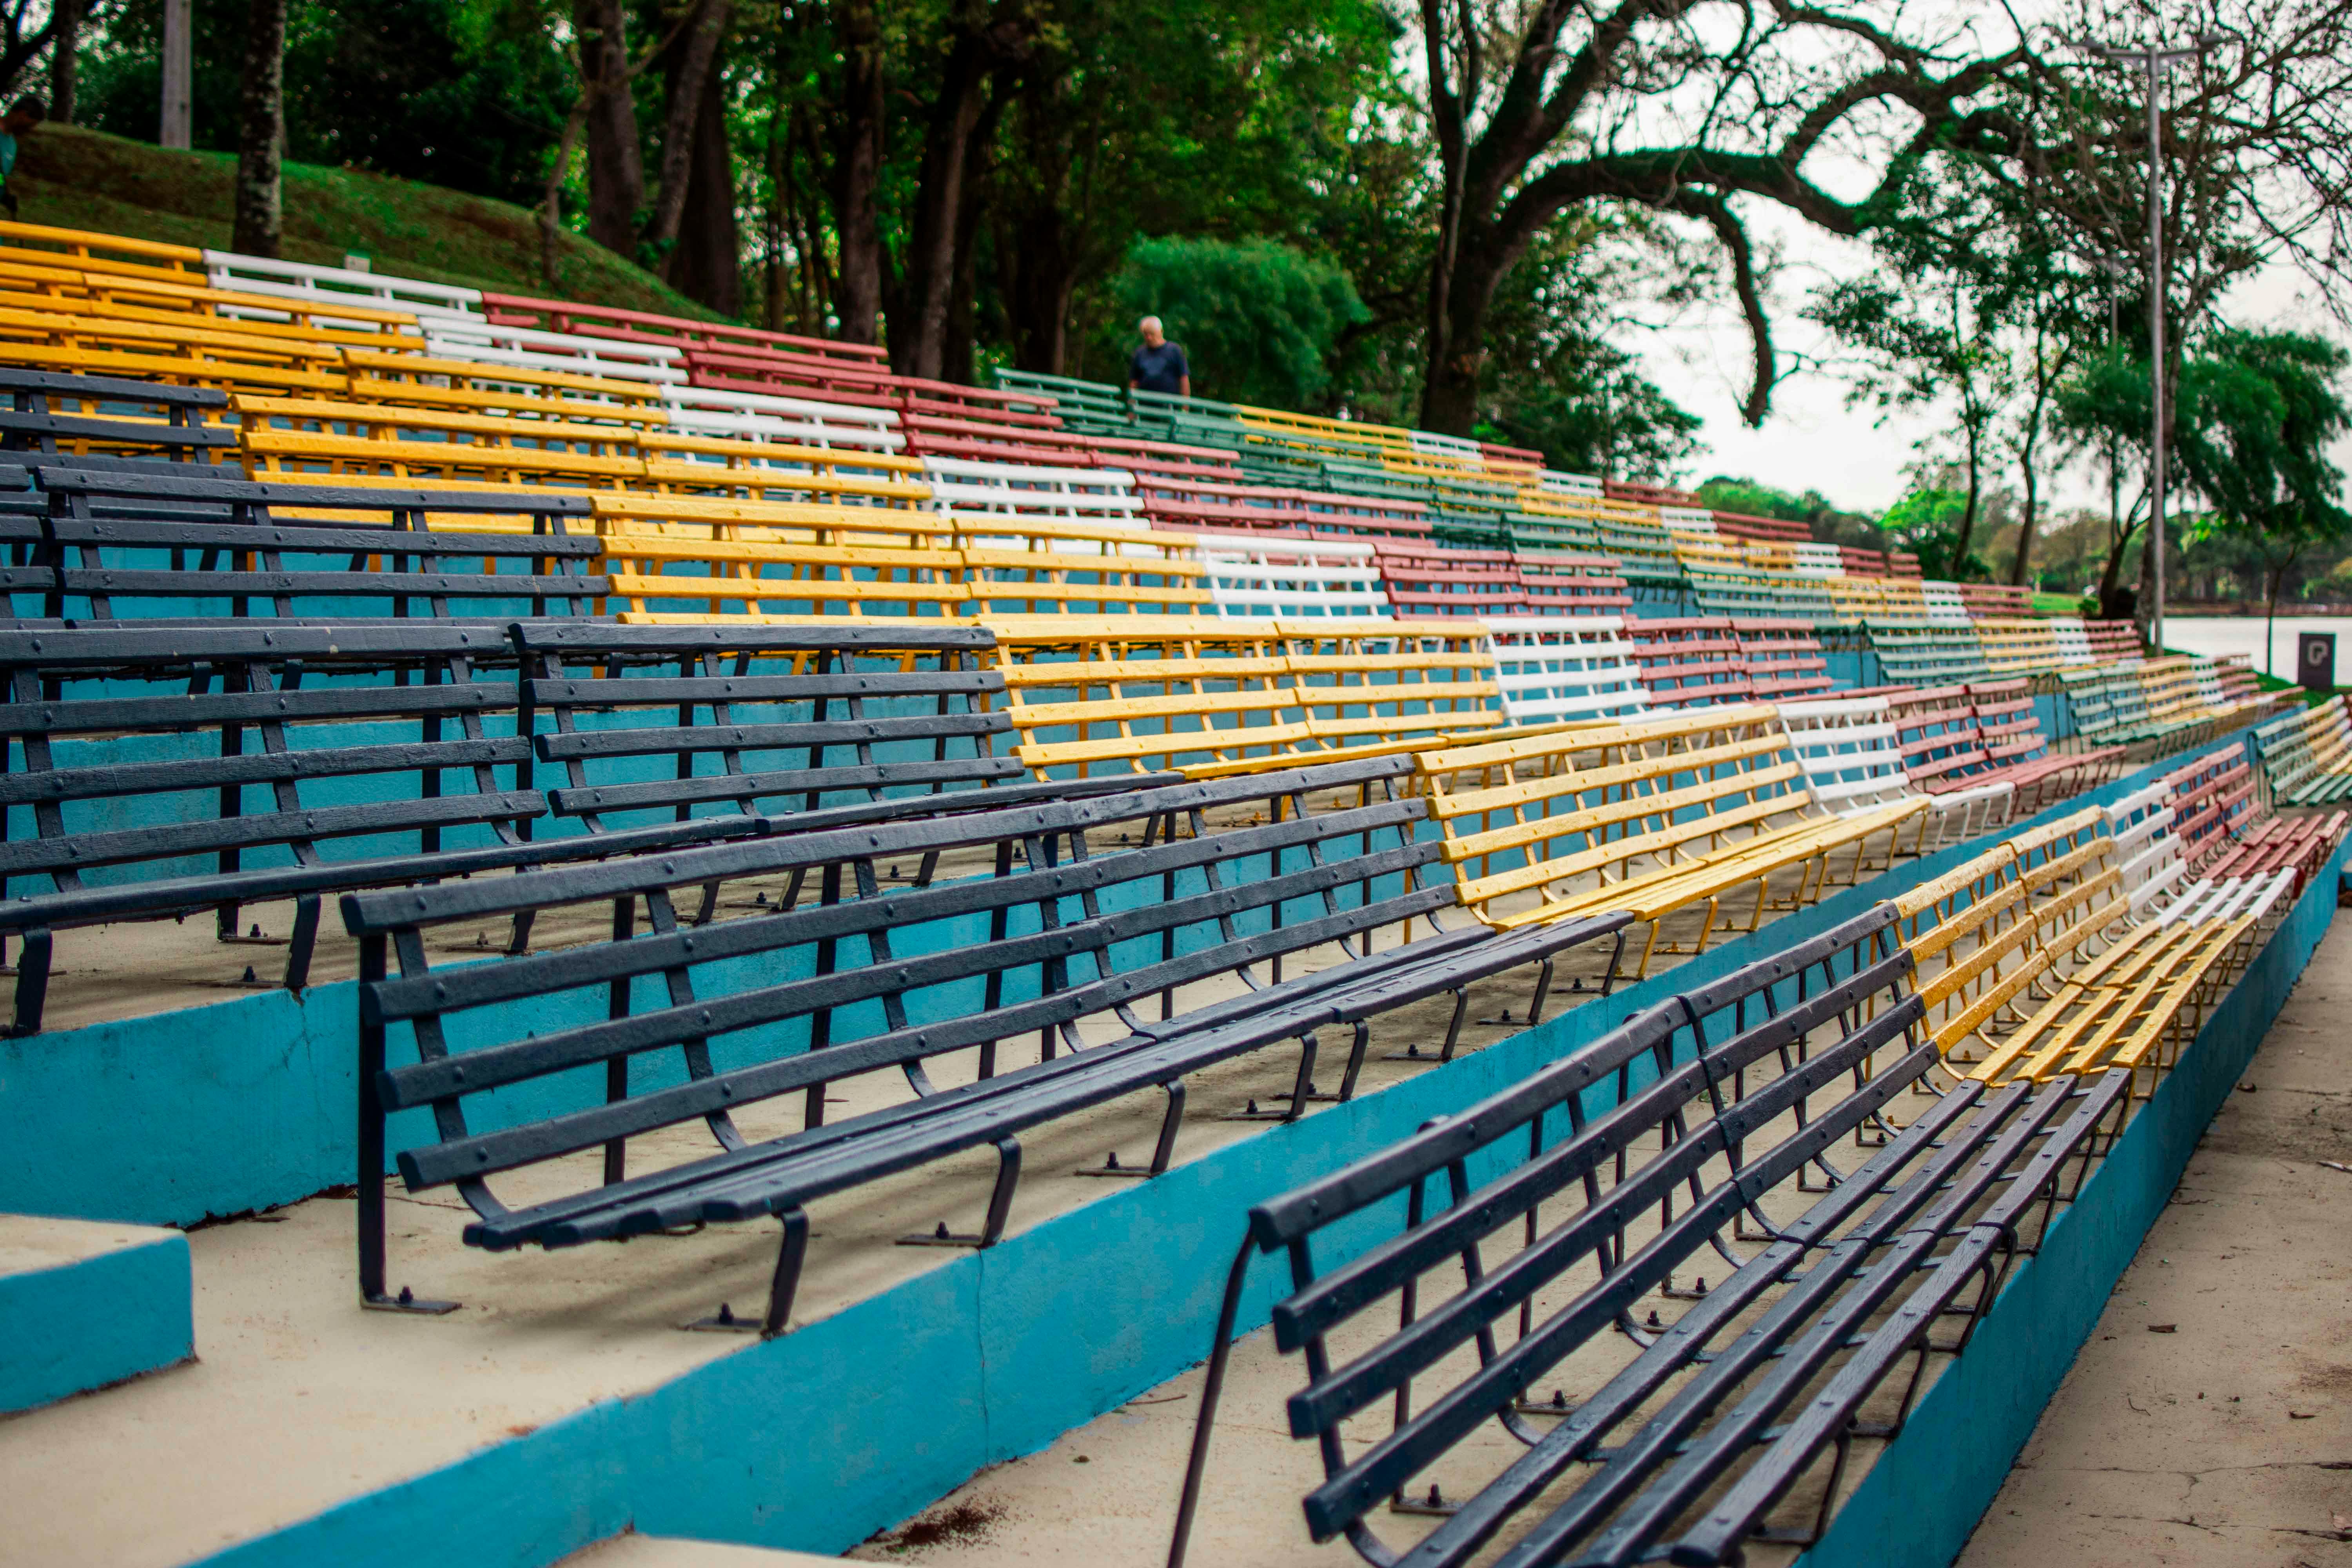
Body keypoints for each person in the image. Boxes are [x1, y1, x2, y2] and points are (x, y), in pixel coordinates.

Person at [0, 97, 43, 219]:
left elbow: (1, 177)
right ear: (22, 115)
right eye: (30, 125)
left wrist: (3, 195)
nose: (29, 130)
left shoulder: (12, 145)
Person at [1128, 316, 1190, 397]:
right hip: (1144, 404)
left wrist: (1185, 407)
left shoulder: (1174, 351)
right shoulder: (1140, 353)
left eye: (1152, 334)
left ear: (1161, 332)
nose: (1149, 338)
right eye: (1146, 334)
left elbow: (1184, 379)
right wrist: (1131, 405)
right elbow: (1134, 382)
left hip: (1169, 404)